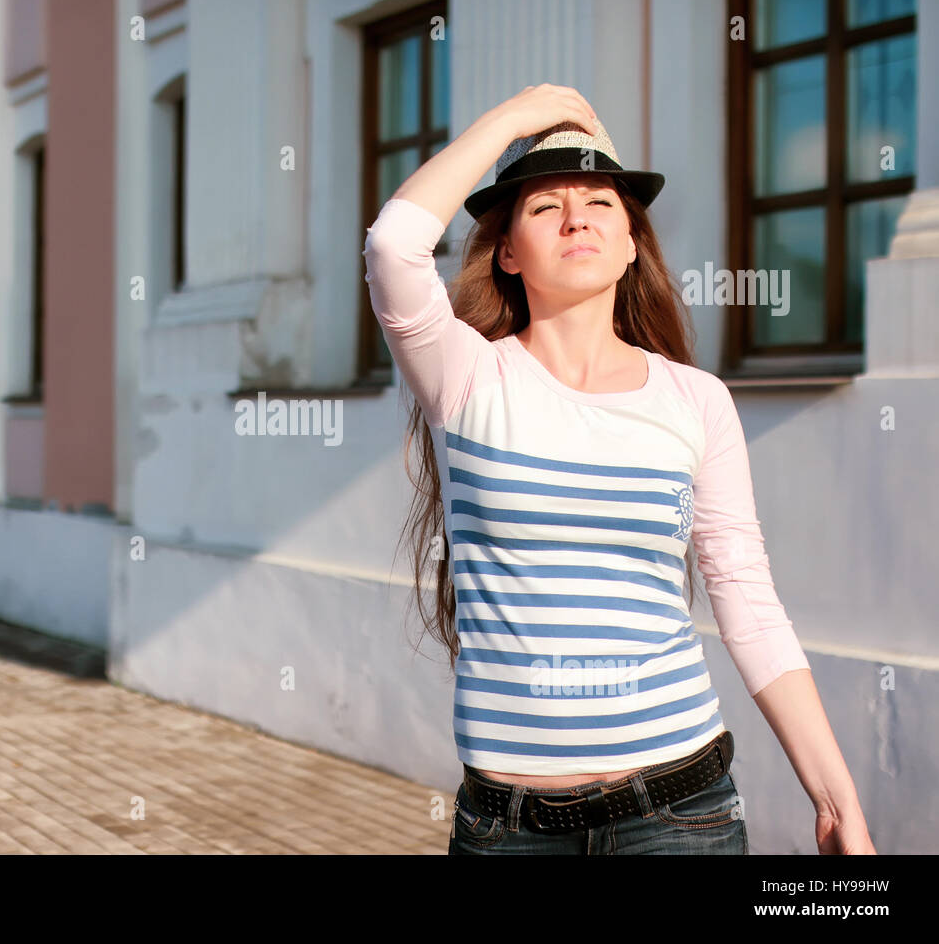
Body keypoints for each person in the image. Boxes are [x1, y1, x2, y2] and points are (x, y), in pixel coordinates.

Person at [362, 84, 874, 855]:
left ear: (632, 242)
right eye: (543, 207)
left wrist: (836, 797)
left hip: (679, 815)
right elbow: (393, 245)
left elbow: (748, 600)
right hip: (508, 830)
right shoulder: (467, 379)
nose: (576, 218)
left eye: (601, 202)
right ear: (506, 251)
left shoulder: (694, 400)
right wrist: (519, 117)